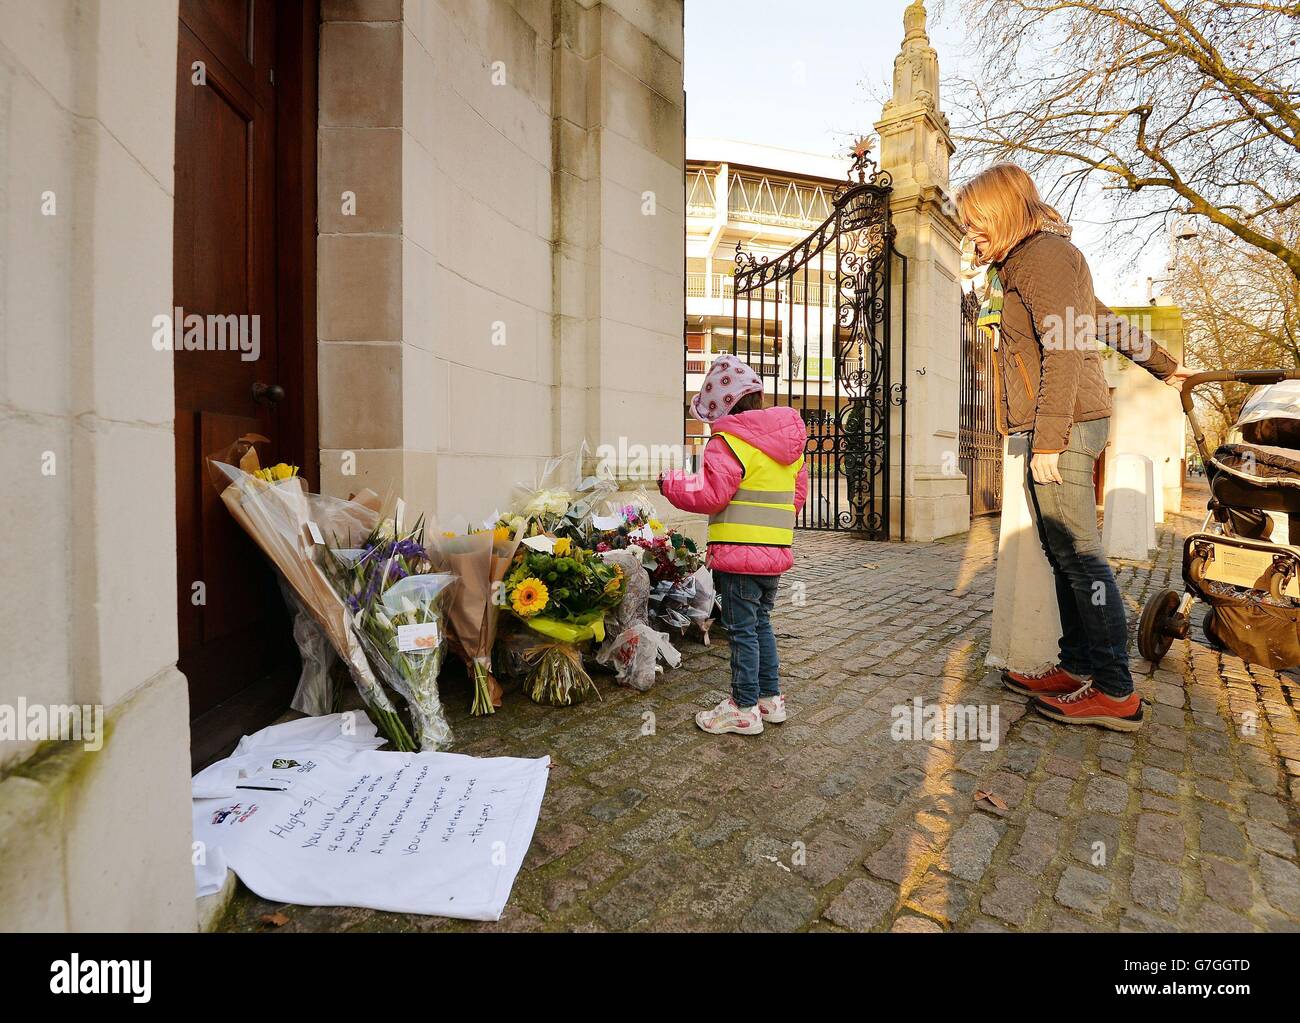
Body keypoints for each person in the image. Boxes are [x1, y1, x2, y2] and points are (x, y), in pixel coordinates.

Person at [956, 163, 1193, 732]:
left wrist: (1049, 441)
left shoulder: (1044, 258)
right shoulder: (1032, 262)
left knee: (1081, 555)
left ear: (1001, 211)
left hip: (1061, 425)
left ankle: (1115, 690)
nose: (970, 236)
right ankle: (1077, 666)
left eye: (975, 223)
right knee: (1064, 553)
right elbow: (1103, 320)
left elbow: (1062, 353)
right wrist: (1166, 368)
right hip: (1055, 425)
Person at [658, 356, 808, 735]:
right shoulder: (788, 448)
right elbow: (796, 497)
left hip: (739, 556)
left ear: (722, 407)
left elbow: (711, 495)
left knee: (742, 631)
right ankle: (769, 699)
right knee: (760, 624)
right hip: (774, 554)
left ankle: (742, 706)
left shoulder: (728, 443)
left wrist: (671, 482)